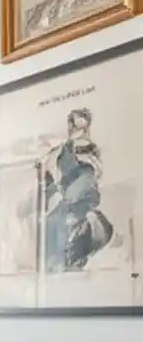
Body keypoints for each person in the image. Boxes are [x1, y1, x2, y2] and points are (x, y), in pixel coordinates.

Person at [41, 108, 113, 272]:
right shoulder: (64, 148)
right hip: (69, 196)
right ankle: (55, 263)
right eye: (73, 125)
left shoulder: (87, 148)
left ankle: (70, 259)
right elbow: (57, 174)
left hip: (82, 197)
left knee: (65, 220)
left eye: (79, 126)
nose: (75, 129)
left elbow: (89, 175)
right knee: (51, 221)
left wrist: (69, 196)